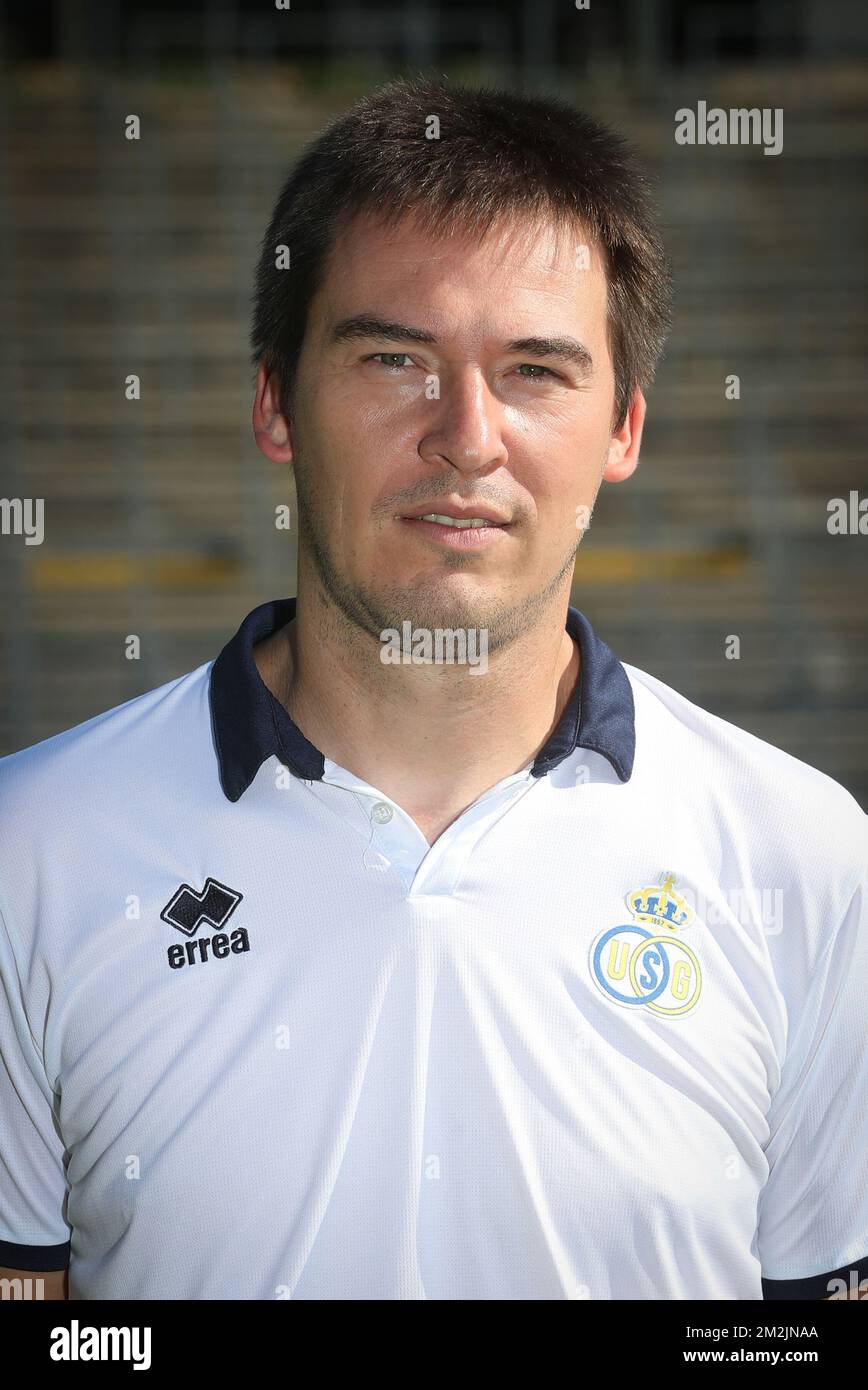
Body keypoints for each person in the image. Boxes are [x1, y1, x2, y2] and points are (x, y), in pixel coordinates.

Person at [1, 75, 865, 1301]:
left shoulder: (808, 858)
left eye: (534, 371)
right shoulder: (28, 850)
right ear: (275, 404)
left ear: (623, 427)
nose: (465, 433)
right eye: (394, 356)